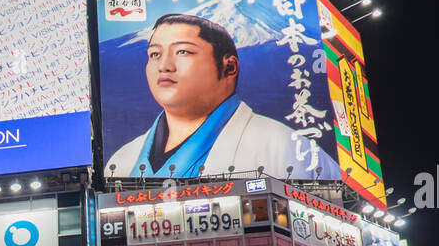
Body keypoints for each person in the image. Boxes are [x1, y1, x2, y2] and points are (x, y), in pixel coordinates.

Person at [106, 13, 342, 182]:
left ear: (229, 67)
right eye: (154, 54)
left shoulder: (286, 147)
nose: (164, 66)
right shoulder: (122, 161)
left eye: (183, 52)